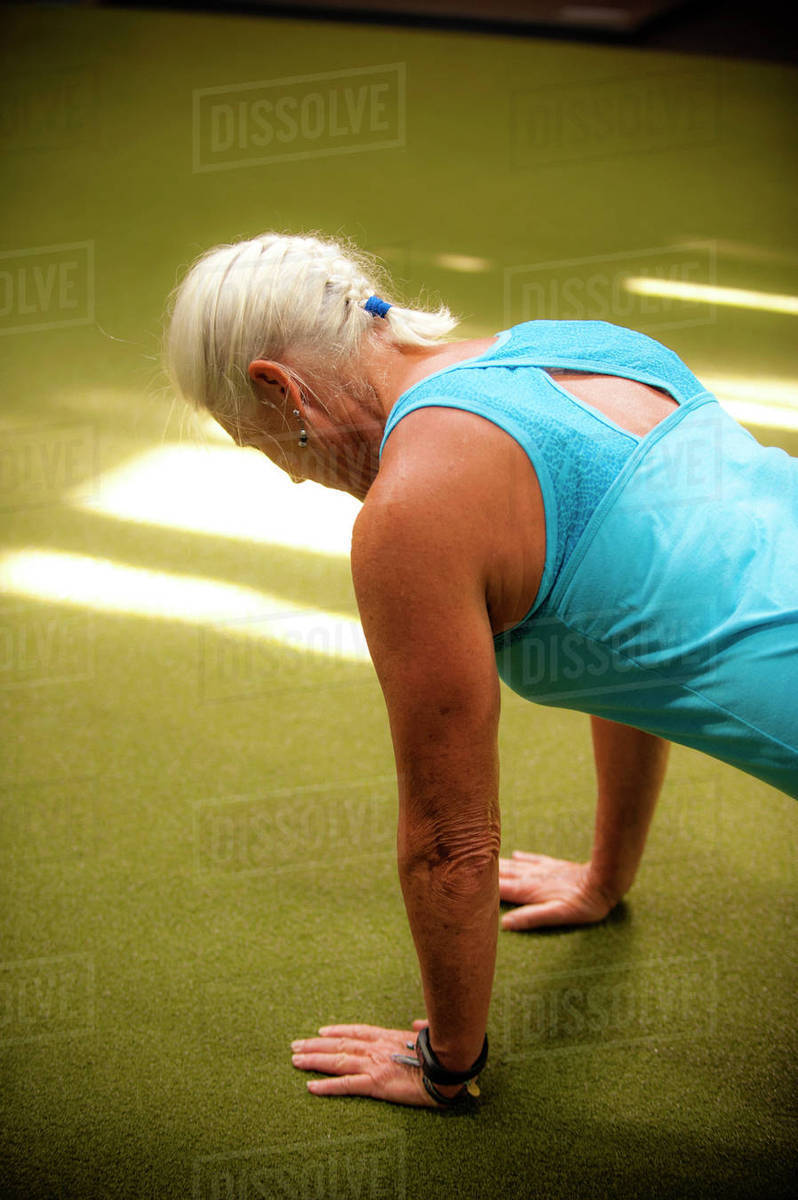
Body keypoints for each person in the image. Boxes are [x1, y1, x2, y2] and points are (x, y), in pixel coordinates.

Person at [162, 231, 798, 1110]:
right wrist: (603, 875)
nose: (295, 479)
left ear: (282, 388)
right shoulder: (585, 346)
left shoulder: (415, 507)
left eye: (261, 442)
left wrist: (445, 1061)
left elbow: (448, 839)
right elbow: (626, 631)